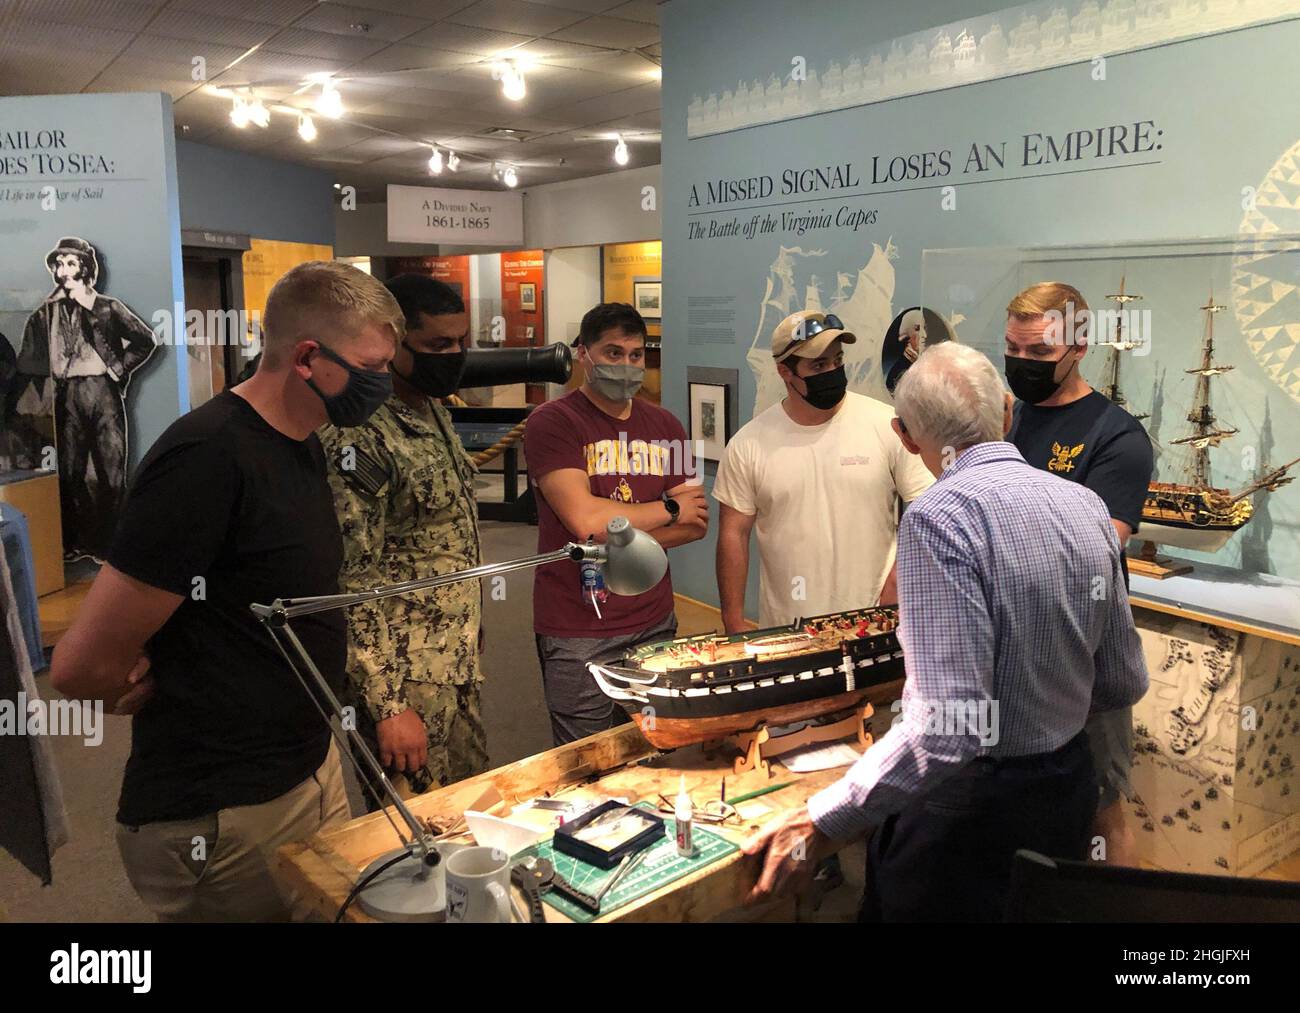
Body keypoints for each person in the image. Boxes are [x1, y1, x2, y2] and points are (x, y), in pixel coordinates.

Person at [743, 342, 1149, 922]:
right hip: (1064, 794)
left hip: (972, 818)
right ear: (1008, 413)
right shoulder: (1086, 506)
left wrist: (822, 816)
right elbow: (1120, 678)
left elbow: (948, 730)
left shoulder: (939, 518)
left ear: (906, 437)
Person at [50, 261, 403, 921]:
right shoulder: (207, 457)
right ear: (305, 357)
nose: (381, 382)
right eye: (371, 365)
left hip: (305, 766)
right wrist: (138, 683)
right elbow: (78, 667)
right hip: (225, 804)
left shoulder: (304, 442)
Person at [320, 274, 487, 805]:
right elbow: (350, 582)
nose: (455, 355)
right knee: (413, 839)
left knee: (468, 814)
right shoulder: (359, 433)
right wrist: (387, 706)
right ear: (394, 343)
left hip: (453, 660)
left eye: (462, 341)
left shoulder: (432, 407)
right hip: (403, 674)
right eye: (438, 345)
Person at [1003, 281, 1154, 865]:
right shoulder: (1003, 419)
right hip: (1008, 653)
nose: (1022, 365)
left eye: (1039, 354)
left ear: (1079, 347)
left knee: (1102, 811)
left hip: (1085, 655)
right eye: (1012, 350)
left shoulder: (1116, 437)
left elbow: (1093, 551)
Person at [525, 302, 707, 745]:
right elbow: (586, 522)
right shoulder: (552, 422)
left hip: (654, 619)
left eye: (635, 355)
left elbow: (697, 521)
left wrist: (621, 526)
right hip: (578, 625)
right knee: (586, 758)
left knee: (656, 744)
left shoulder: (666, 423)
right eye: (612, 353)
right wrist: (666, 508)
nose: (625, 365)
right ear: (583, 354)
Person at [714, 310, 933, 633]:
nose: (832, 372)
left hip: (874, 622)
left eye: (837, 360)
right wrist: (732, 618)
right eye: (818, 366)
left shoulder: (887, 425)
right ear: (785, 372)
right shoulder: (749, 444)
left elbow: (926, 508)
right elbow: (733, 533)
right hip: (789, 628)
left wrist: (899, 580)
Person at [17, 236, 156, 560]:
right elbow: (28, 360)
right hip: (66, 394)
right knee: (69, 469)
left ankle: (112, 544)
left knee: (110, 469)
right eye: (60, 263)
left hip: (101, 391)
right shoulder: (44, 314)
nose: (63, 269)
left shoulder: (107, 307)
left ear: (84, 267)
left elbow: (145, 340)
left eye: (70, 262)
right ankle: (75, 542)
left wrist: (118, 369)